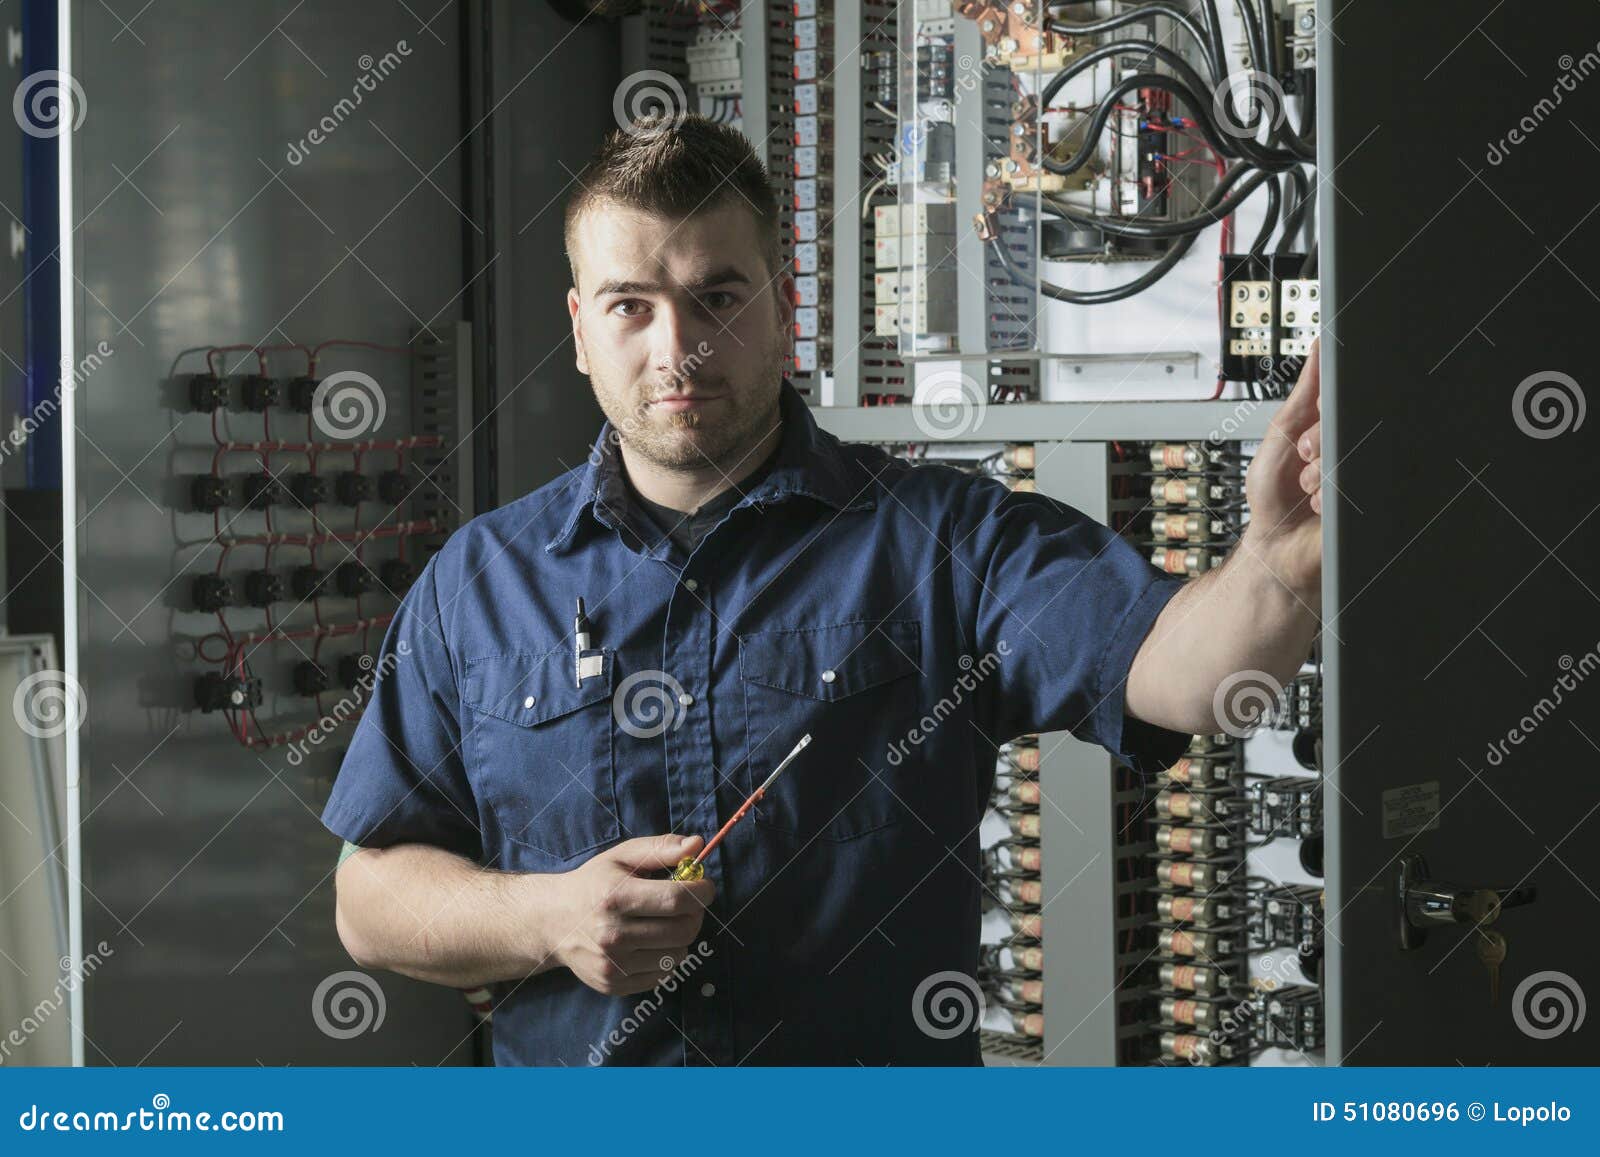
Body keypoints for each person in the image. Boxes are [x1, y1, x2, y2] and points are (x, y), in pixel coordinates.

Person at [321, 114, 1323, 1065]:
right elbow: (369, 899)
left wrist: (1276, 566)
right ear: (582, 329)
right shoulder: (479, 583)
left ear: (784, 307)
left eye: (718, 296)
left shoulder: (939, 540)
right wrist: (544, 918)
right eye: (632, 304)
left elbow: (1180, 671)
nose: (679, 348)